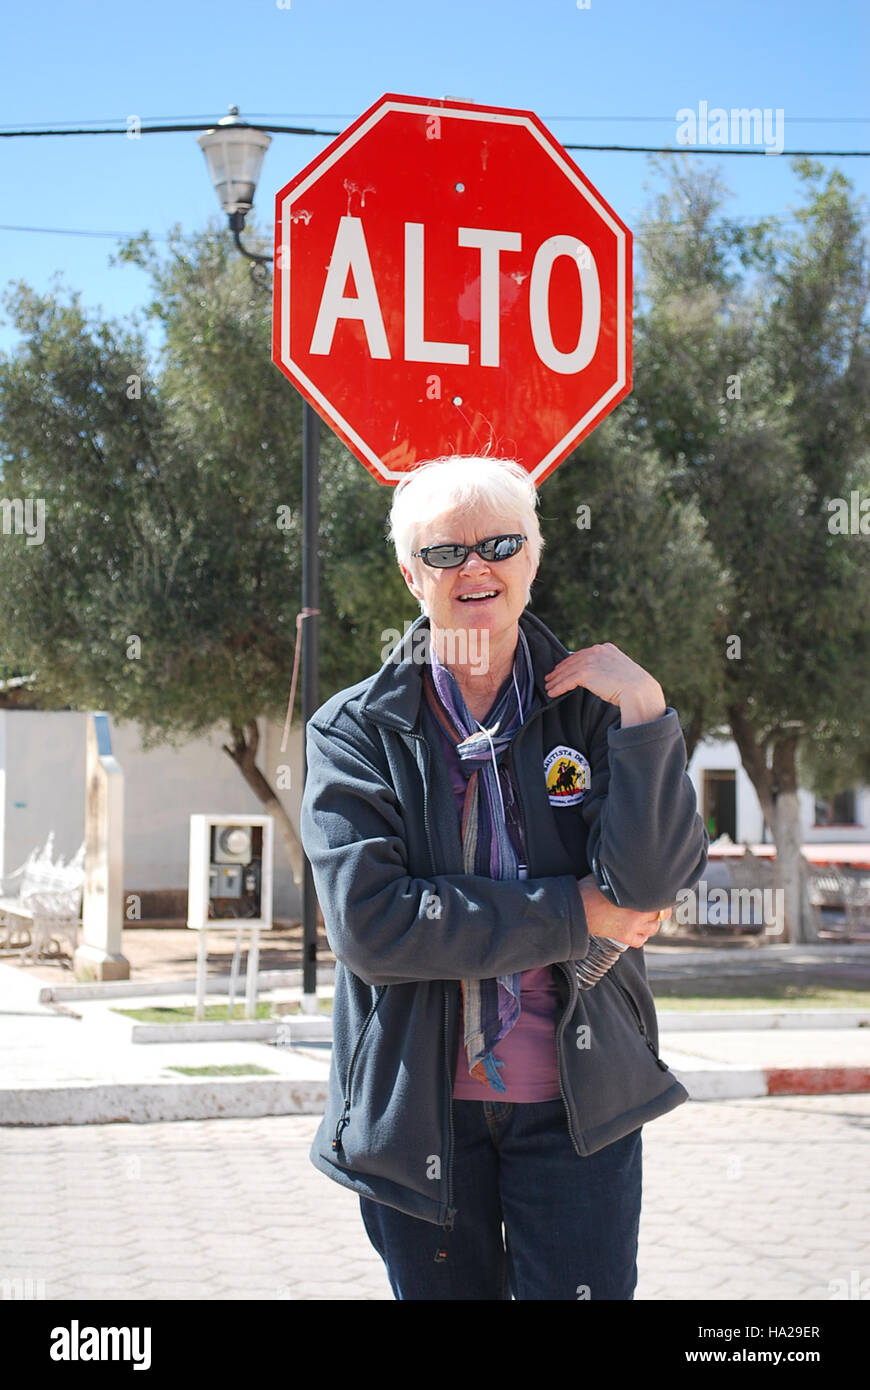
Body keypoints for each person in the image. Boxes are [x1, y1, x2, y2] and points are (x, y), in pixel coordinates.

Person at [300, 455, 708, 1301]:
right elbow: (374, 927)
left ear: (533, 556)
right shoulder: (355, 730)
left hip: (578, 1114)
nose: (474, 566)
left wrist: (646, 716)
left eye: (499, 543)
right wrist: (575, 911)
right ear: (412, 574)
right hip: (420, 1118)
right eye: (446, 553)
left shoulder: (599, 709)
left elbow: (648, 886)